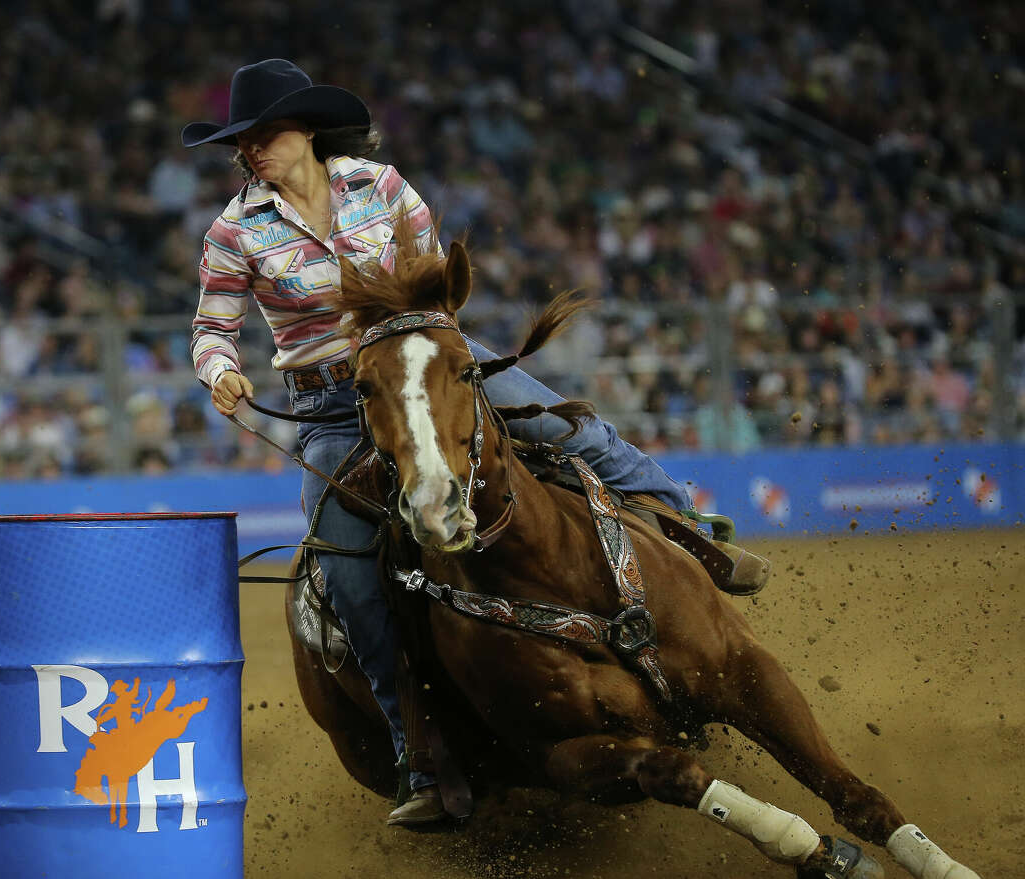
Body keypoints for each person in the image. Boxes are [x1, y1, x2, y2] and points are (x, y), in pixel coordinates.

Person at [183, 58, 768, 826]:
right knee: (347, 569)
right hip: (331, 410)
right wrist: (219, 371)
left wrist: (433, 361)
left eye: (265, 133)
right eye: (243, 139)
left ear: (307, 131)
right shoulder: (234, 229)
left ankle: (691, 537)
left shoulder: (382, 187)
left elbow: (433, 281)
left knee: (577, 430)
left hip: (427, 366)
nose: (252, 148)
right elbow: (211, 327)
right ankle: (415, 755)